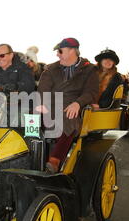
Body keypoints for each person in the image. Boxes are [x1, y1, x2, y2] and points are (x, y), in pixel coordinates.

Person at [37, 37, 99, 173]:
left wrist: (78, 103)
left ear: (72, 51)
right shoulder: (51, 69)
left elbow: (91, 92)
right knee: (29, 119)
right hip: (51, 104)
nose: (57, 54)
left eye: (60, 51)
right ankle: (29, 156)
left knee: (69, 116)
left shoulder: (89, 70)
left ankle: (54, 161)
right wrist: (42, 104)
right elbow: (43, 89)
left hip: (71, 106)